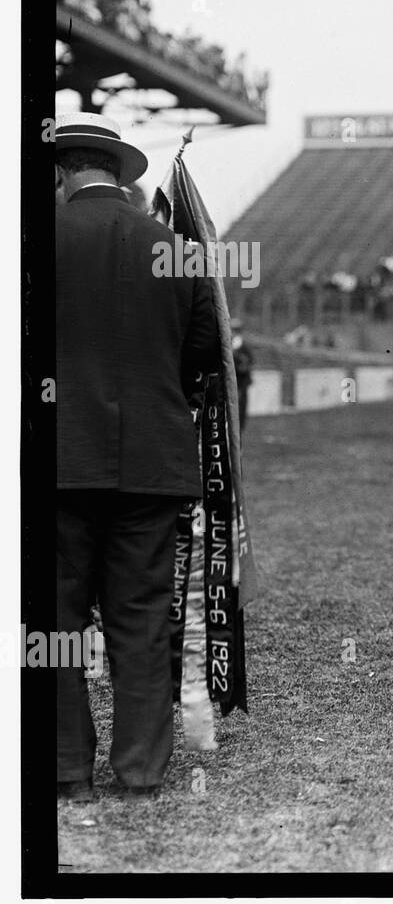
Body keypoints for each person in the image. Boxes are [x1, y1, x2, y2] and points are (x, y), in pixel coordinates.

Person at [54, 112, 219, 800]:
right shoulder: (175, 247)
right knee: (142, 616)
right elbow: (205, 356)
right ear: (119, 172)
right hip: (152, 463)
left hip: (60, 461)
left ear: (60, 173)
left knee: (54, 623)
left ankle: (64, 767)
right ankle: (141, 768)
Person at [231, 318, 254, 431]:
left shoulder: (242, 346)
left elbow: (246, 365)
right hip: (231, 383)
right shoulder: (230, 344)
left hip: (240, 383)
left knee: (239, 414)